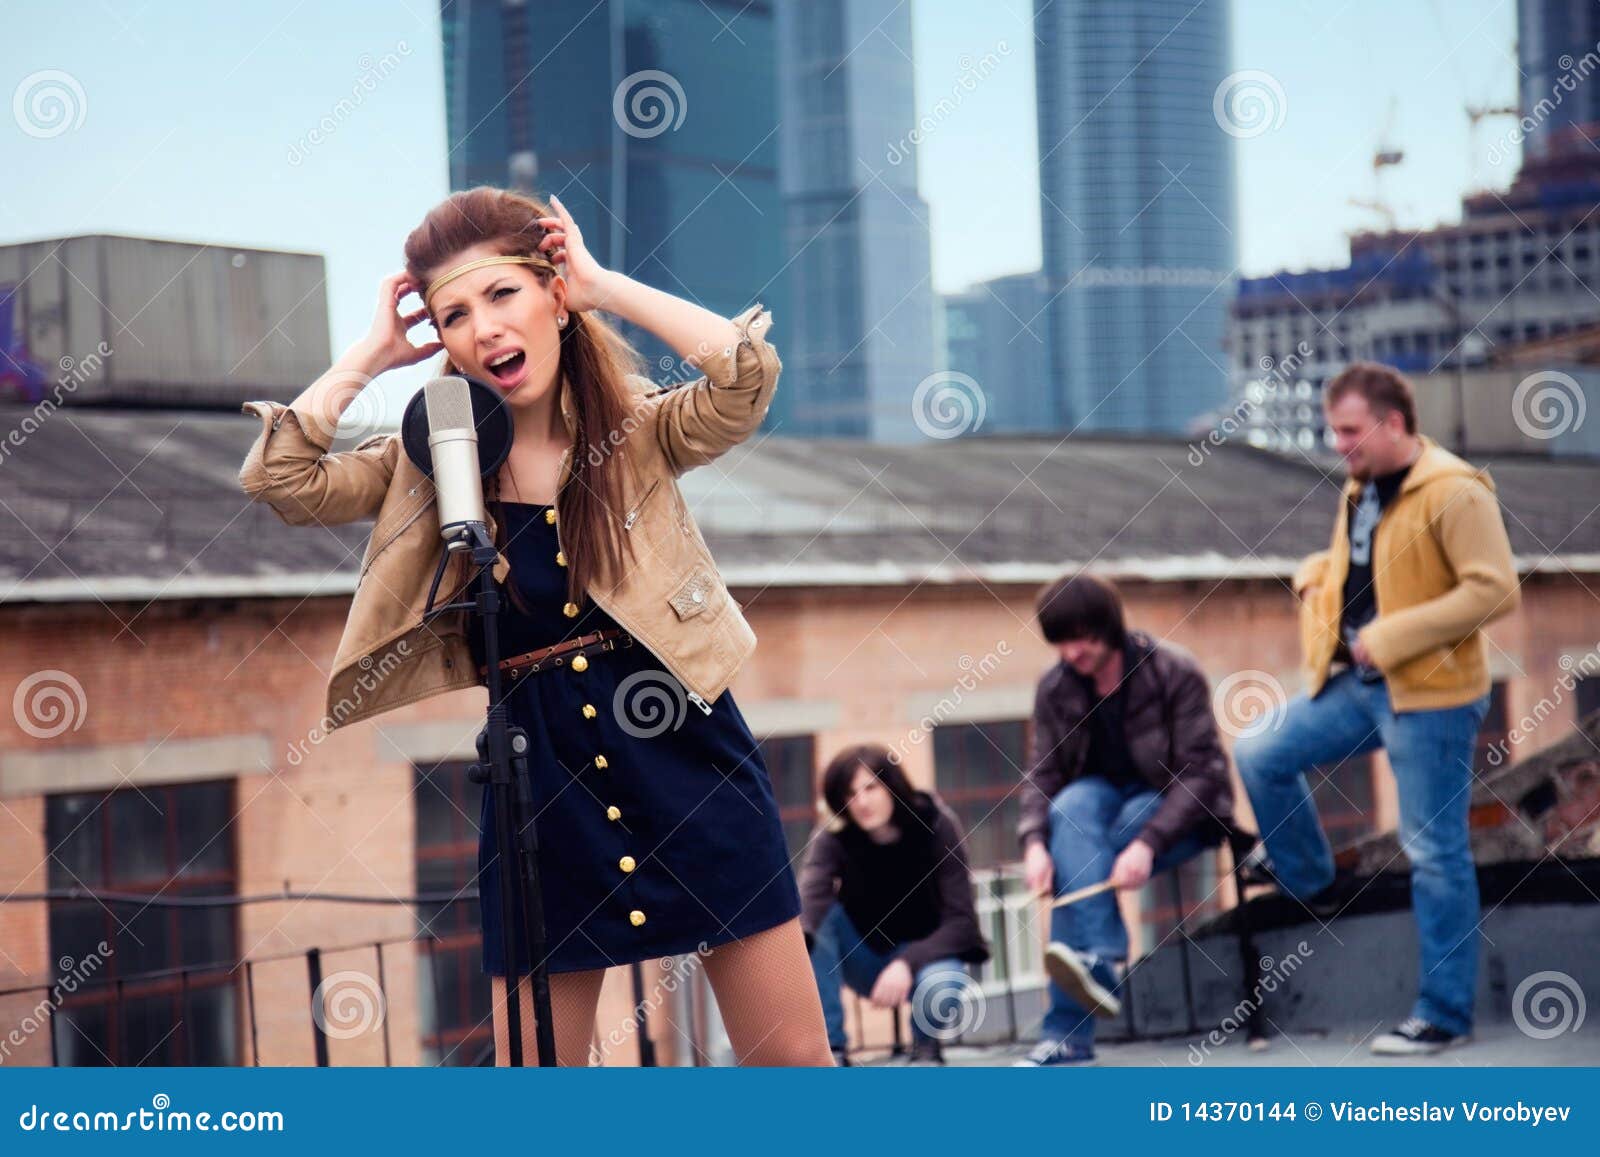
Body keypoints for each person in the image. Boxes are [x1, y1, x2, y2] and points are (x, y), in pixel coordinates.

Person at [237, 186, 832, 1067]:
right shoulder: (427, 461)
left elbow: (744, 376)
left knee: (794, 1064)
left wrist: (604, 286)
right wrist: (373, 352)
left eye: (502, 293)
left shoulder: (635, 429)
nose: (483, 329)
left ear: (553, 295)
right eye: (454, 315)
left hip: (688, 756)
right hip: (539, 788)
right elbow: (282, 478)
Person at [1234, 362, 1517, 1056]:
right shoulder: (1360, 486)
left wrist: (1391, 637)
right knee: (1260, 750)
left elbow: (1495, 590)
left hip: (1433, 697)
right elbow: (1364, 567)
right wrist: (1314, 576)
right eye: (1333, 431)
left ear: (1393, 424)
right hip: (1362, 687)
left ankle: (1444, 1016)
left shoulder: (1455, 490)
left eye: (1350, 430)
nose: (1338, 444)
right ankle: (1311, 880)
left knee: (1435, 853)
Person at [1015, 574, 1235, 1067]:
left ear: (1108, 626)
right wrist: (1033, 843)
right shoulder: (1055, 688)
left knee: (1078, 849)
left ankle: (1066, 1033)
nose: (1071, 652)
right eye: (1061, 642)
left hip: (1177, 810)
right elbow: (1041, 773)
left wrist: (1147, 843)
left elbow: (1202, 775)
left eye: (1081, 638)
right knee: (1069, 809)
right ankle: (1102, 955)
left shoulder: (1173, 671)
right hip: (1098, 808)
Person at [799, 744, 990, 1066]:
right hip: (865, 957)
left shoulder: (936, 823)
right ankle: (832, 1051)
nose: (861, 802)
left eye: (871, 788)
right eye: (850, 794)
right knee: (815, 923)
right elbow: (811, 900)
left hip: (929, 959)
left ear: (892, 787)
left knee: (940, 983)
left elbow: (963, 924)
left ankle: (925, 1049)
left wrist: (905, 963)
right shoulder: (834, 835)